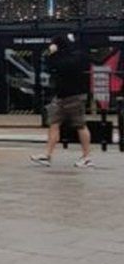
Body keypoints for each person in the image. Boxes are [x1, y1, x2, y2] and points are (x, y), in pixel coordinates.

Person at [31, 33, 93, 168]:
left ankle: (87, 157)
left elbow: (57, 66)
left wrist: (52, 53)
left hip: (74, 96)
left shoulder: (71, 57)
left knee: (80, 124)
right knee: (54, 123)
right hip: (61, 96)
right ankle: (47, 155)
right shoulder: (78, 54)